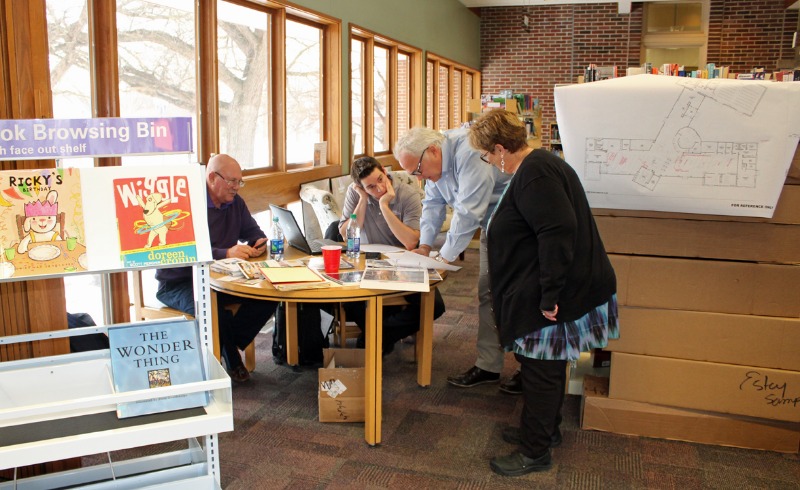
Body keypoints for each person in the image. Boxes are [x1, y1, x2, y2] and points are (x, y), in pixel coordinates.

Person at [468, 109, 618, 476]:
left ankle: (534, 452)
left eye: (486, 155)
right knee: (546, 367)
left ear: (501, 148)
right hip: (562, 285)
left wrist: (550, 295)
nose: (488, 162)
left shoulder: (534, 173)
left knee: (540, 370)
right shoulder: (540, 165)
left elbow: (557, 231)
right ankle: (544, 432)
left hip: (558, 293)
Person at [394, 127, 517, 391]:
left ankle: (530, 368)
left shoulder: (470, 151)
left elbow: (467, 213)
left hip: (518, 226)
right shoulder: (433, 164)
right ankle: (489, 366)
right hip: (491, 226)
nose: (419, 178)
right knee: (489, 293)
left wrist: (444, 259)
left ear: (433, 151)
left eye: (417, 170)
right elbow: (433, 204)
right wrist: (426, 246)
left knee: (517, 295)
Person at [155, 154, 277, 383]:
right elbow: (181, 251)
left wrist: (257, 244)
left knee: (269, 294)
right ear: (212, 178)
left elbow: (254, 232)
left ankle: (227, 340)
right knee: (212, 309)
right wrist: (225, 253)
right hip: (179, 282)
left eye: (240, 182)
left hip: (222, 279)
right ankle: (231, 357)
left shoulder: (235, 203)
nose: (236, 188)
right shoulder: (185, 205)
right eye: (232, 181)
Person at [338, 156, 445, 354]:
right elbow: (346, 235)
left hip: (404, 263)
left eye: (380, 179)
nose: (378, 188)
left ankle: (376, 336)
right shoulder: (357, 195)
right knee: (351, 300)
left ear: (385, 172)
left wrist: (384, 206)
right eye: (370, 187)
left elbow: (411, 242)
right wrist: (362, 199)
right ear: (359, 187)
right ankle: (380, 337)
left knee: (435, 306)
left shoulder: (408, 195)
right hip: (368, 262)